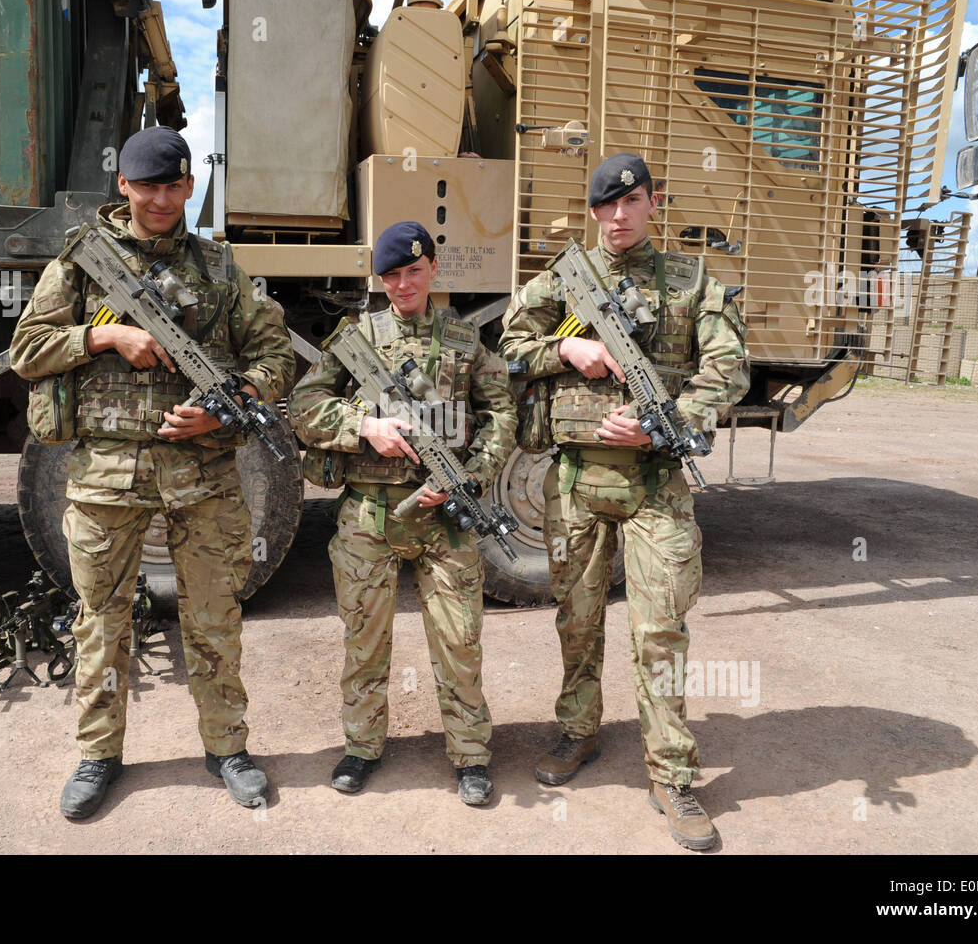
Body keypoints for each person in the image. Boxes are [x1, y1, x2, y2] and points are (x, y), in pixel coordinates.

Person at [9, 125, 294, 818]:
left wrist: (222, 414)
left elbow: (277, 359)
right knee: (101, 622)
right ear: (124, 186)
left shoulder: (222, 268)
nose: (160, 199)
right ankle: (98, 754)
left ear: (190, 187)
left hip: (204, 479)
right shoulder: (83, 264)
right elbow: (26, 349)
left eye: (173, 185)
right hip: (107, 480)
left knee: (214, 618)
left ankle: (227, 746)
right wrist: (106, 335)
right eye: (147, 186)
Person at [498, 152, 749, 850]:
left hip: (653, 486)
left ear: (653, 201)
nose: (616, 216)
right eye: (604, 206)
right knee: (576, 622)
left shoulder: (694, 282)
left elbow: (727, 370)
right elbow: (509, 346)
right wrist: (565, 352)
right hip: (576, 481)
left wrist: (663, 417)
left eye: (630, 201)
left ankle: (671, 772)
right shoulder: (564, 278)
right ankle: (579, 732)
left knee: (659, 629)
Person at [289, 221, 517, 806]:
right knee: (364, 641)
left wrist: (473, 476)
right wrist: (364, 427)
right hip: (369, 516)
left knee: (459, 640)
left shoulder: (466, 342)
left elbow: (501, 415)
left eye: (413, 271)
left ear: (434, 269)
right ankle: (362, 747)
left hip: (445, 520)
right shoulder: (355, 340)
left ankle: (469, 754)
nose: (402, 284)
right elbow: (304, 407)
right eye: (390, 275)